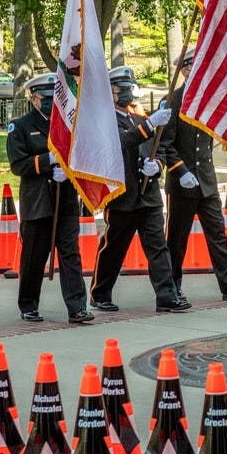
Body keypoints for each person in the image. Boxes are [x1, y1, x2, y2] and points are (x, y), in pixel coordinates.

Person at [88, 66, 188, 313]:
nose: (126, 94)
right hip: (123, 196)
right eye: (121, 89)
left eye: (128, 89)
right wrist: (150, 124)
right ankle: (100, 293)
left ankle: (167, 296)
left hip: (148, 195)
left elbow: (159, 148)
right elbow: (123, 142)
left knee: (158, 247)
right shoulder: (104, 122)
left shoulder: (141, 119)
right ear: (109, 93)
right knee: (114, 248)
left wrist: (157, 166)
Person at [160, 57, 227, 302]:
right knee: (176, 239)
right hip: (183, 183)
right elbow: (166, 145)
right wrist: (181, 172)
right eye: (193, 66)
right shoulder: (172, 101)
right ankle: (172, 286)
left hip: (205, 180)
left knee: (217, 233)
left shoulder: (206, 100)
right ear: (183, 70)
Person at [6, 74, 94, 325]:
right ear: (33, 98)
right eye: (44, 99)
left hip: (64, 198)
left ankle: (77, 307)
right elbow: (18, 164)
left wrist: (69, 169)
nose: (49, 103)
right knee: (34, 257)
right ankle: (29, 304)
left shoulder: (67, 123)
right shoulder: (20, 126)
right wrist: (47, 162)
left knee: (70, 254)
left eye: (53, 98)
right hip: (38, 201)